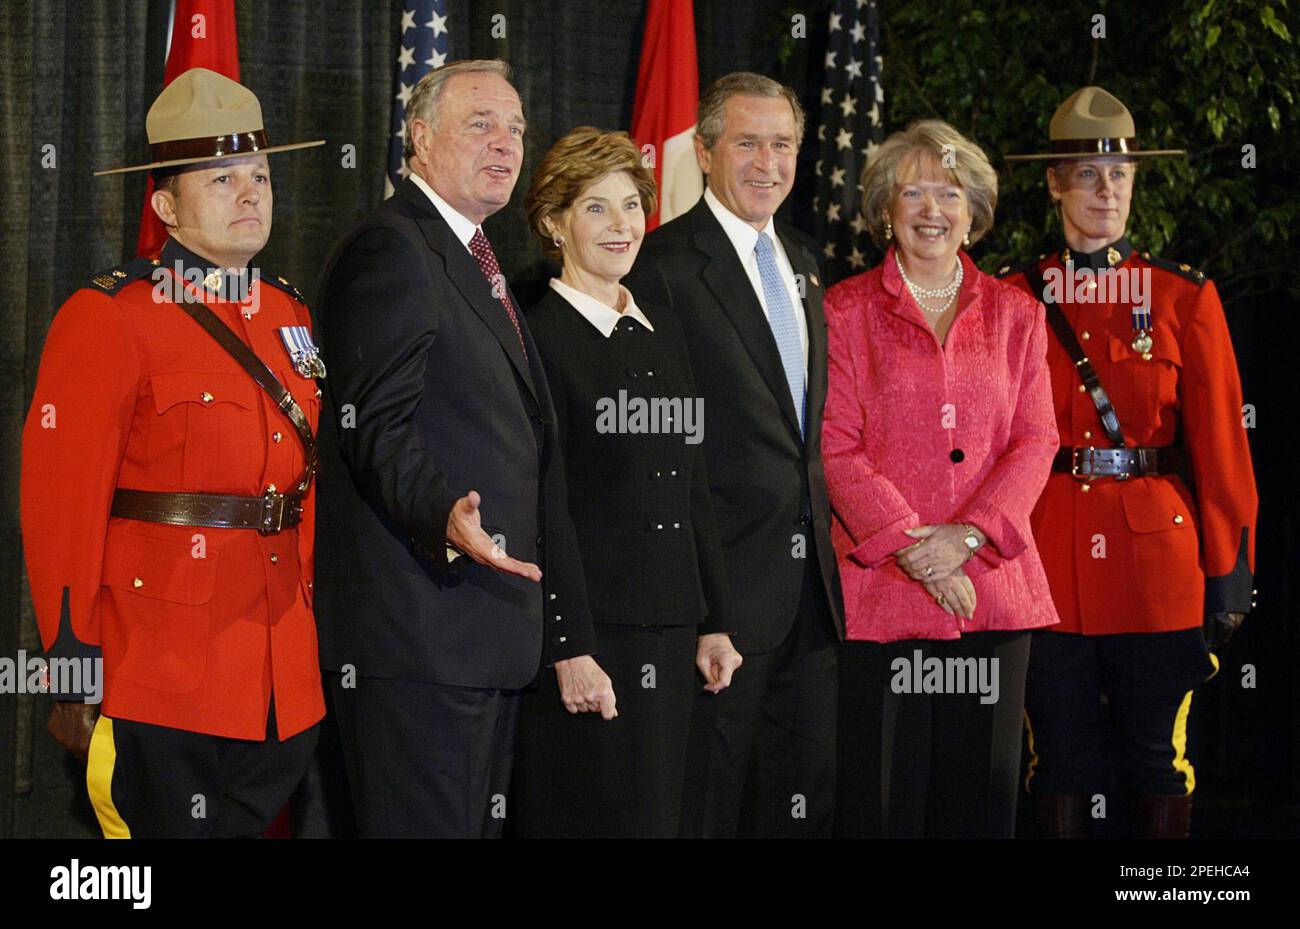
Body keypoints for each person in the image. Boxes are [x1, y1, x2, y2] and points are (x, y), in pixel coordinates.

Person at [20, 68, 327, 838]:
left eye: (258, 174)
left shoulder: (290, 312)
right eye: (222, 178)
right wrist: (71, 665)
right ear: (165, 206)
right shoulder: (110, 317)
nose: (250, 192)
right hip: (158, 673)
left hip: (279, 675)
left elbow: (302, 489)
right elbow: (63, 503)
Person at [313, 59, 599, 838]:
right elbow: (371, 424)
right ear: (419, 137)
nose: (505, 143)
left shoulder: (474, 254)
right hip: (419, 638)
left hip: (479, 639)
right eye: (481, 123)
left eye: (514, 128)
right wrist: (442, 511)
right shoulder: (393, 248)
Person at [1001, 86, 1258, 839]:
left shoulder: (1182, 296)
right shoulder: (1014, 298)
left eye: (1119, 173)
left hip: (1157, 567)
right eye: (1086, 173)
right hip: (1047, 558)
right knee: (1058, 759)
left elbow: (1221, 445)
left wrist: (1230, 570)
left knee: (1158, 760)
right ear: (1054, 183)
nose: (1106, 188)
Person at [823, 120, 1061, 838]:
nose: (932, 209)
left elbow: (1036, 438)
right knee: (883, 800)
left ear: (974, 210)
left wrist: (965, 536)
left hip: (991, 588)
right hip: (881, 593)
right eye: (913, 192)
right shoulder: (843, 310)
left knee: (980, 803)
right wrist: (913, 548)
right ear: (885, 211)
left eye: (949, 192)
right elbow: (835, 446)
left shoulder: (1019, 313)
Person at [626, 72, 843, 838]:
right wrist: (702, 606)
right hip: (719, 602)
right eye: (747, 141)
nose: (767, 161)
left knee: (802, 800)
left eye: (782, 143)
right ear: (705, 151)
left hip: (813, 599)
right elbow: (658, 456)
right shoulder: (662, 266)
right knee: (707, 805)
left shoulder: (809, 264)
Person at [510, 127, 740, 838]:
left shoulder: (659, 328)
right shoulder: (536, 336)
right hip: (593, 640)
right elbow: (545, 506)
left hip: (673, 639)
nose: (622, 226)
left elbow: (691, 482)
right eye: (597, 209)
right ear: (553, 222)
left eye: (632, 206)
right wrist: (569, 646)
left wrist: (715, 619)